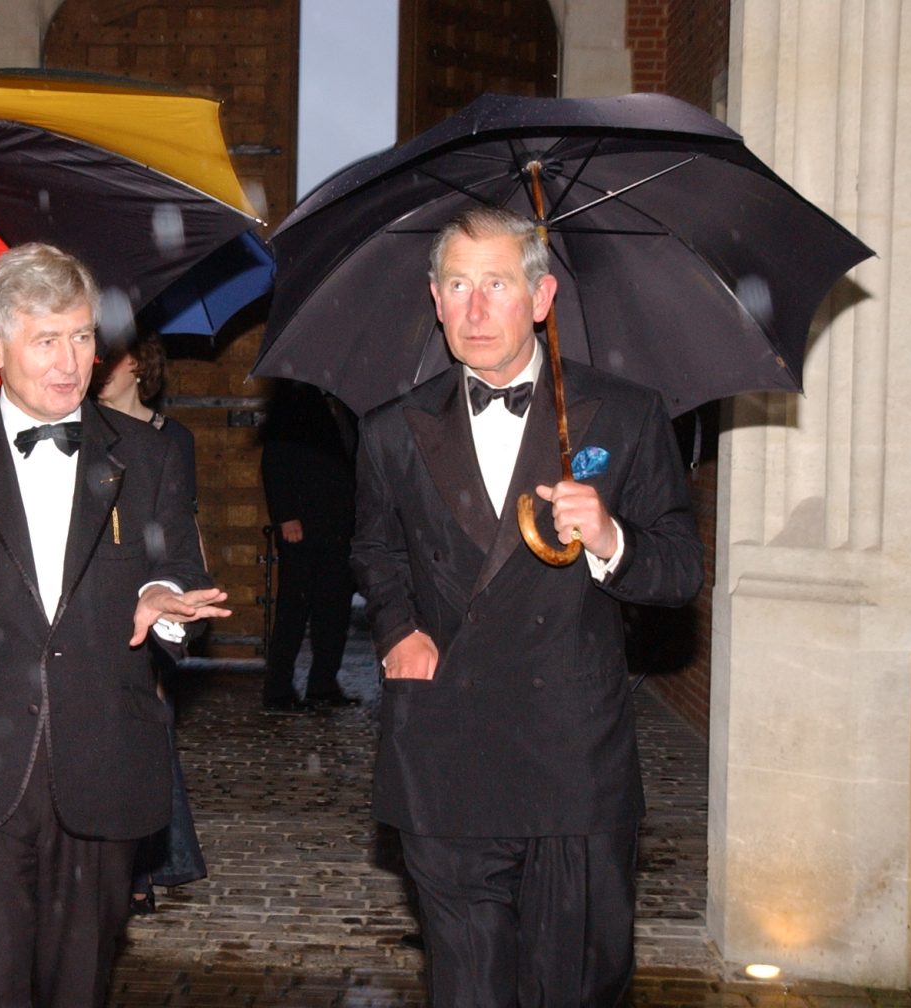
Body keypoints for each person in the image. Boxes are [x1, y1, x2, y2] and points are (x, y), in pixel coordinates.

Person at [350, 206, 703, 1006]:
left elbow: (679, 571)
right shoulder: (391, 432)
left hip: (571, 765)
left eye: (498, 285)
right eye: (458, 286)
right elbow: (376, 549)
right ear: (433, 299)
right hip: (446, 750)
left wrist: (611, 537)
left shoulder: (623, 413)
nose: (476, 309)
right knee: (468, 987)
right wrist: (398, 628)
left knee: (572, 988)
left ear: (541, 298)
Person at [0, 242, 230, 1008]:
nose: (71, 363)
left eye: (83, 337)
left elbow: (179, 578)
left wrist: (163, 598)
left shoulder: (148, 456)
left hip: (99, 767)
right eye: (46, 340)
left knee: (78, 990)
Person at [90, 334, 208, 915]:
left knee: (144, 734)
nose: (97, 368)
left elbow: (178, 522)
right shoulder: (81, 431)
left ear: (138, 364)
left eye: (109, 357)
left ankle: (145, 863)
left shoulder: (170, 441)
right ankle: (134, 865)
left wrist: (175, 590)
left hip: (152, 592)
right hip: (104, 598)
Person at [259, 378, 359, 712]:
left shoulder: (344, 403)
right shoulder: (293, 400)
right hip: (302, 526)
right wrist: (286, 515)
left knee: (334, 608)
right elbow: (274, 459)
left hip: (339, 524)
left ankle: (323, 684)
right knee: (294, 607)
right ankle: (277, 688)